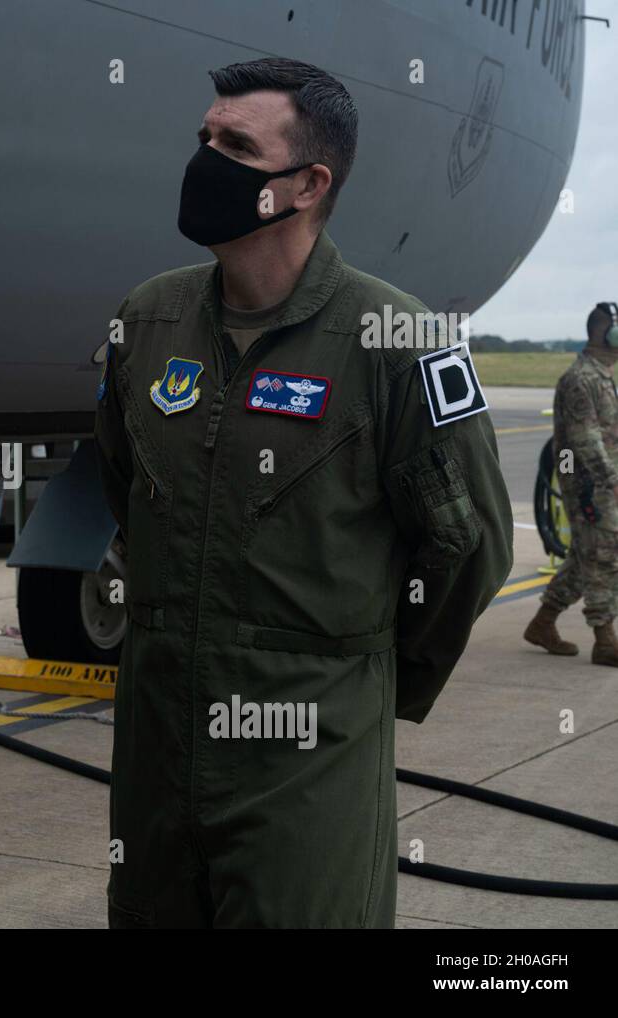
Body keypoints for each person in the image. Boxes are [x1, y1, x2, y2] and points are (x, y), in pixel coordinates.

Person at [93, 57, 513, 928]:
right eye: (204, 138)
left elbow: (465, 551)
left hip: (305, 752)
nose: (205, 159)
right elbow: (126, 488)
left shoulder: (400, 344)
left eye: (236, 145)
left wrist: (360, 684)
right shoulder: (145, 322)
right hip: (155, 747)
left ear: (307, 184)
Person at [524, 302, 618, 666]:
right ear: (605, 334)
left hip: (599, 482)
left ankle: (542, 623)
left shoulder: (600, 375)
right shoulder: (581, 379)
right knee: (604, 556)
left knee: (584, 557)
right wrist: (610, 481)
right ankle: (605, 639)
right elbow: (586, 439)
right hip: (590, 486)